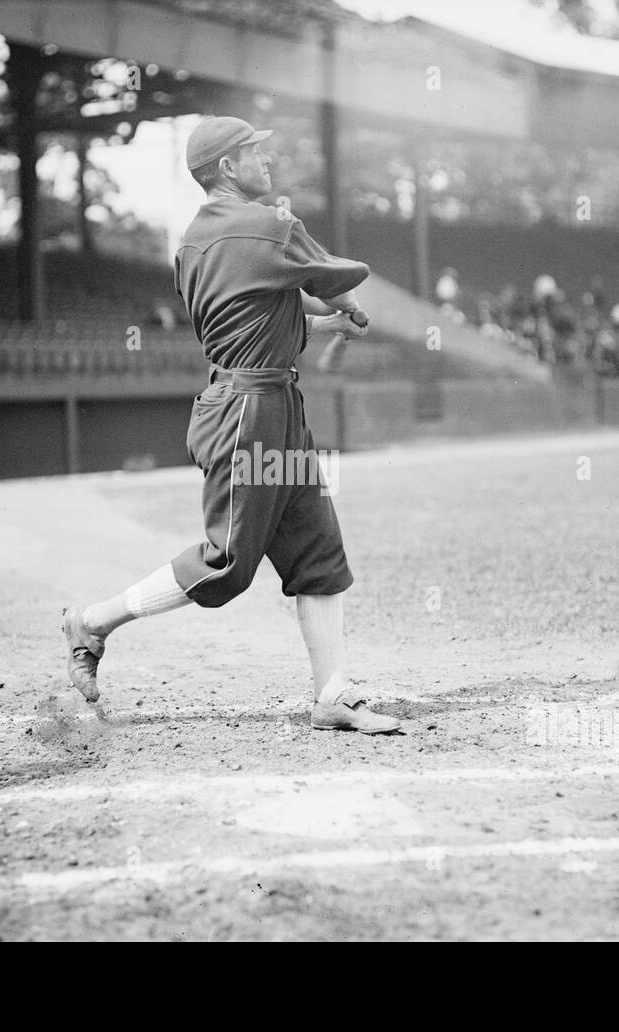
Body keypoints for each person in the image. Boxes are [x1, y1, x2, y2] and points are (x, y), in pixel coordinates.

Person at [61, 116, 400, 735]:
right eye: (253, 153)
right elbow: (339, 276)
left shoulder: (193, 243)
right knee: (227, 564)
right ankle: (94, 621)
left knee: (316, 549)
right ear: (224, 169)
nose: (266, 162)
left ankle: (333, 692)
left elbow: (262, 312)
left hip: (268, 401)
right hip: (251, 414)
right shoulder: (270, 223)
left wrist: (324, 320)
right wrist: (345, 300)